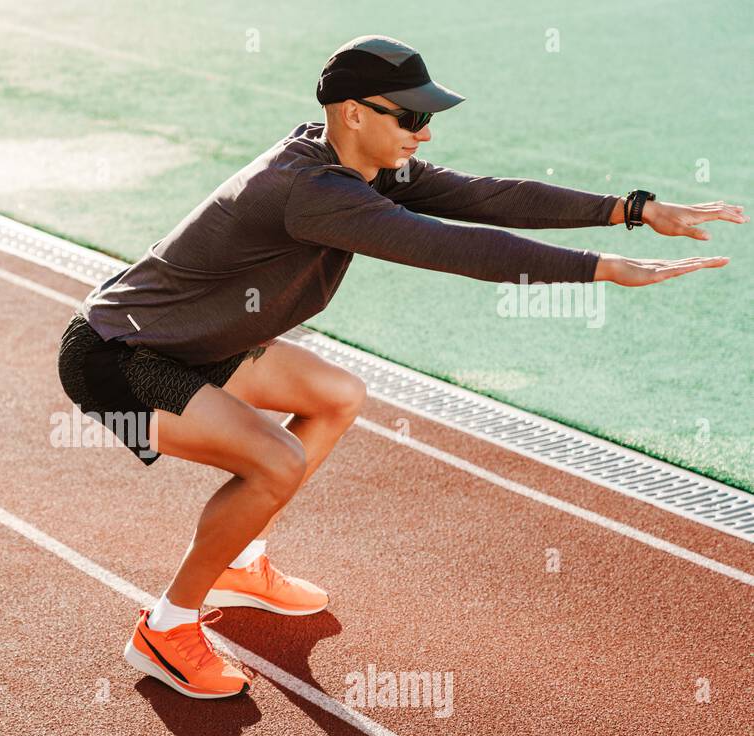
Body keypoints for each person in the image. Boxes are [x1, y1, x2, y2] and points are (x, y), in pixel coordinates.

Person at [57, 34, 745, 700]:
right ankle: (167, 629)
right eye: (412, 116)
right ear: (355, 114)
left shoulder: (355, 165)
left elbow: (485, 198)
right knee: (277, 460)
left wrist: (631, 210)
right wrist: (599, 270)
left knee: (335, 394)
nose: (424, 133)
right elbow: (449, 247)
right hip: (121, 360)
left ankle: (239, 564)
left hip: (190, 345)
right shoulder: (313, 191)